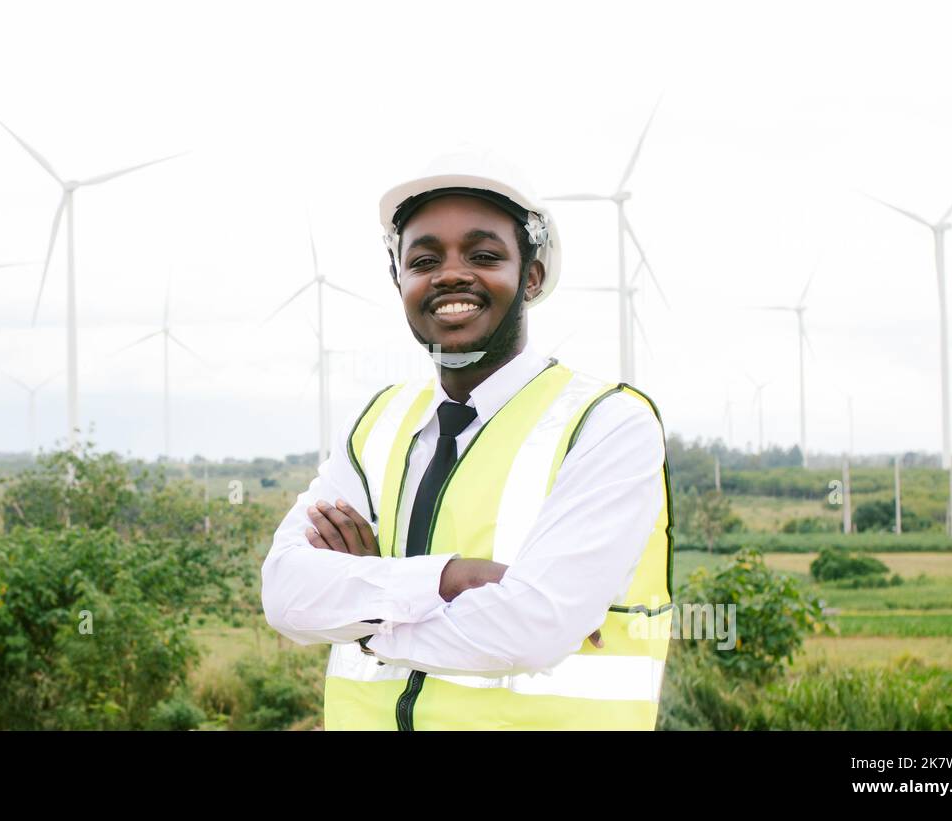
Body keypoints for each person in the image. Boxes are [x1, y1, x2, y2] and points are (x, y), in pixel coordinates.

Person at [261, 149, 674, 730]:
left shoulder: (606, 423)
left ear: (531, 275)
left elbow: (532, 628)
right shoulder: (378, 422)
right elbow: (286, 595)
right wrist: (455, 578)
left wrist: (365, 616)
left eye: (483, 255)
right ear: (399, 278)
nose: (451, 274)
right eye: (424, 258)